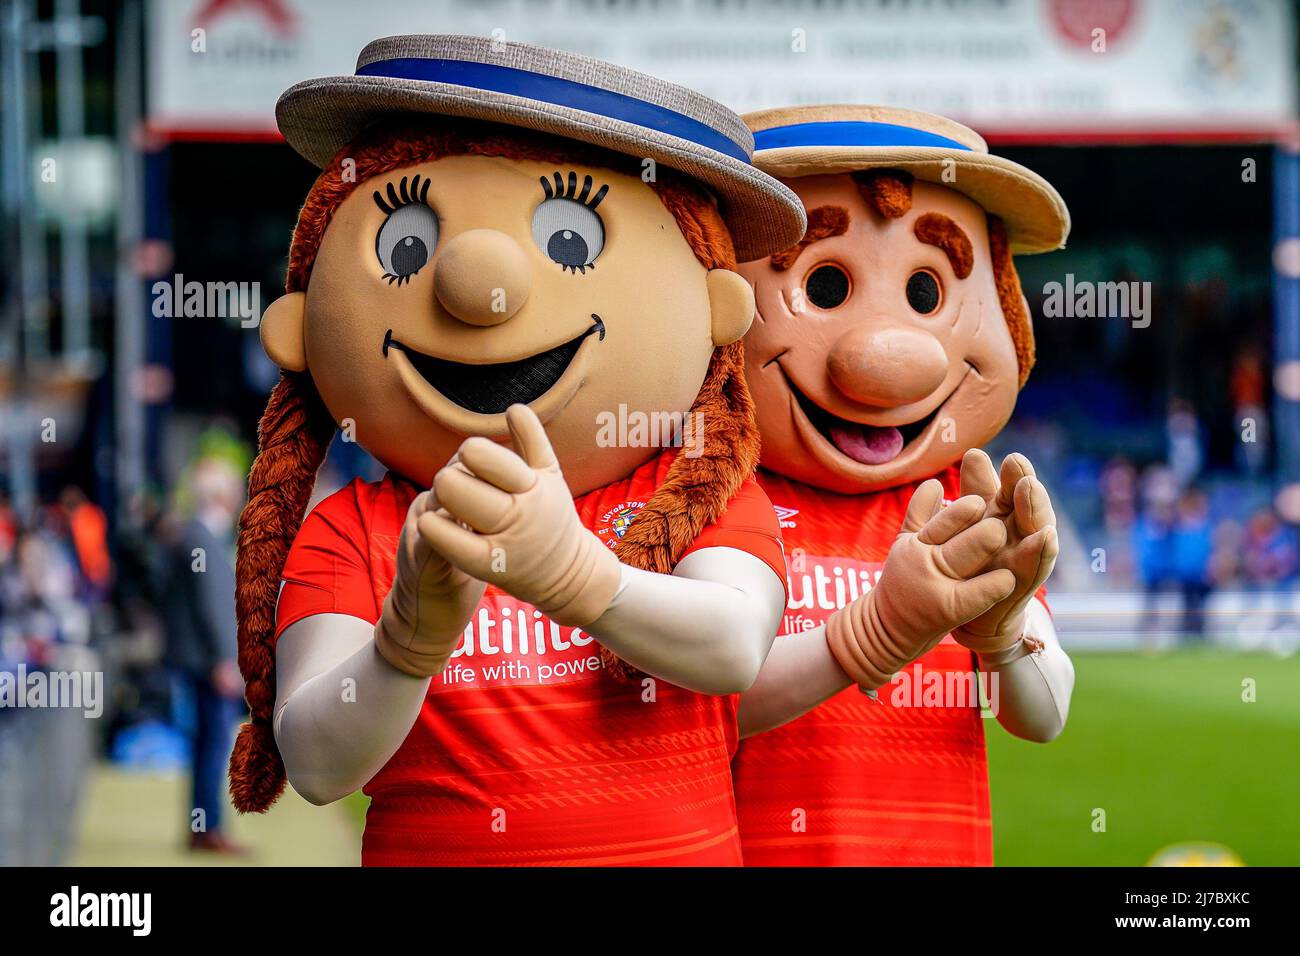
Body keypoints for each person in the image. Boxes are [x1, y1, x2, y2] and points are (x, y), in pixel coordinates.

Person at [729, 105, 1076, 866]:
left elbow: (1044, 717)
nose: (892, 356)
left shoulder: (966, 501)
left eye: (926, 294)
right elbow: (690, 713)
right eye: (826, 285)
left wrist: (1005, 637)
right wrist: (874, 631)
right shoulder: (709, 500)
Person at [162, 456, 246, 853]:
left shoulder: (195, 535)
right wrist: (222, 661)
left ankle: (204, 826)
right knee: (212, 745)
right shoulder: (201, 538)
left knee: (207, 745)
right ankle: (208, 828)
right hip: (207, 663)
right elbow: (211, 606)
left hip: (199, 660)